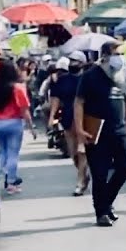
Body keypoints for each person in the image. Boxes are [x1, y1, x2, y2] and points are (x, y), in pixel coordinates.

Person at [75, 40, 126, 227]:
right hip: (96, 131)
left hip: (119, 131)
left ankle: (106, 202)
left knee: (125, 167)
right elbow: (79, 102)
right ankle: (101, 213)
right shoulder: (90, 76)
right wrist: (79, 129)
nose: (120, 58)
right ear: (106, 56)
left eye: (122, 54)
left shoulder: (123, 76)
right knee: (99, 174)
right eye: (117, 54)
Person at [0, 60, 34, 195]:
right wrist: (31, 127)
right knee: (13, 153)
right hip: (14, 123)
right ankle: (11, 182)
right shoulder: (18, 88)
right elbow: (24, 110)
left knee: (0, 153)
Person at [48, 51, 90, 196]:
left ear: (83, 63)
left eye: (76, 61)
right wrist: (52, 116)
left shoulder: (88, 79)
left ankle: (80, 181)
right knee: (73, 153)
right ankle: (83, 174)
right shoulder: (62, 80)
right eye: (71, 61)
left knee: (82, 150)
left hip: (85, 118)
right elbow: (55, 98)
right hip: (67, 117)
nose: (73, 63)